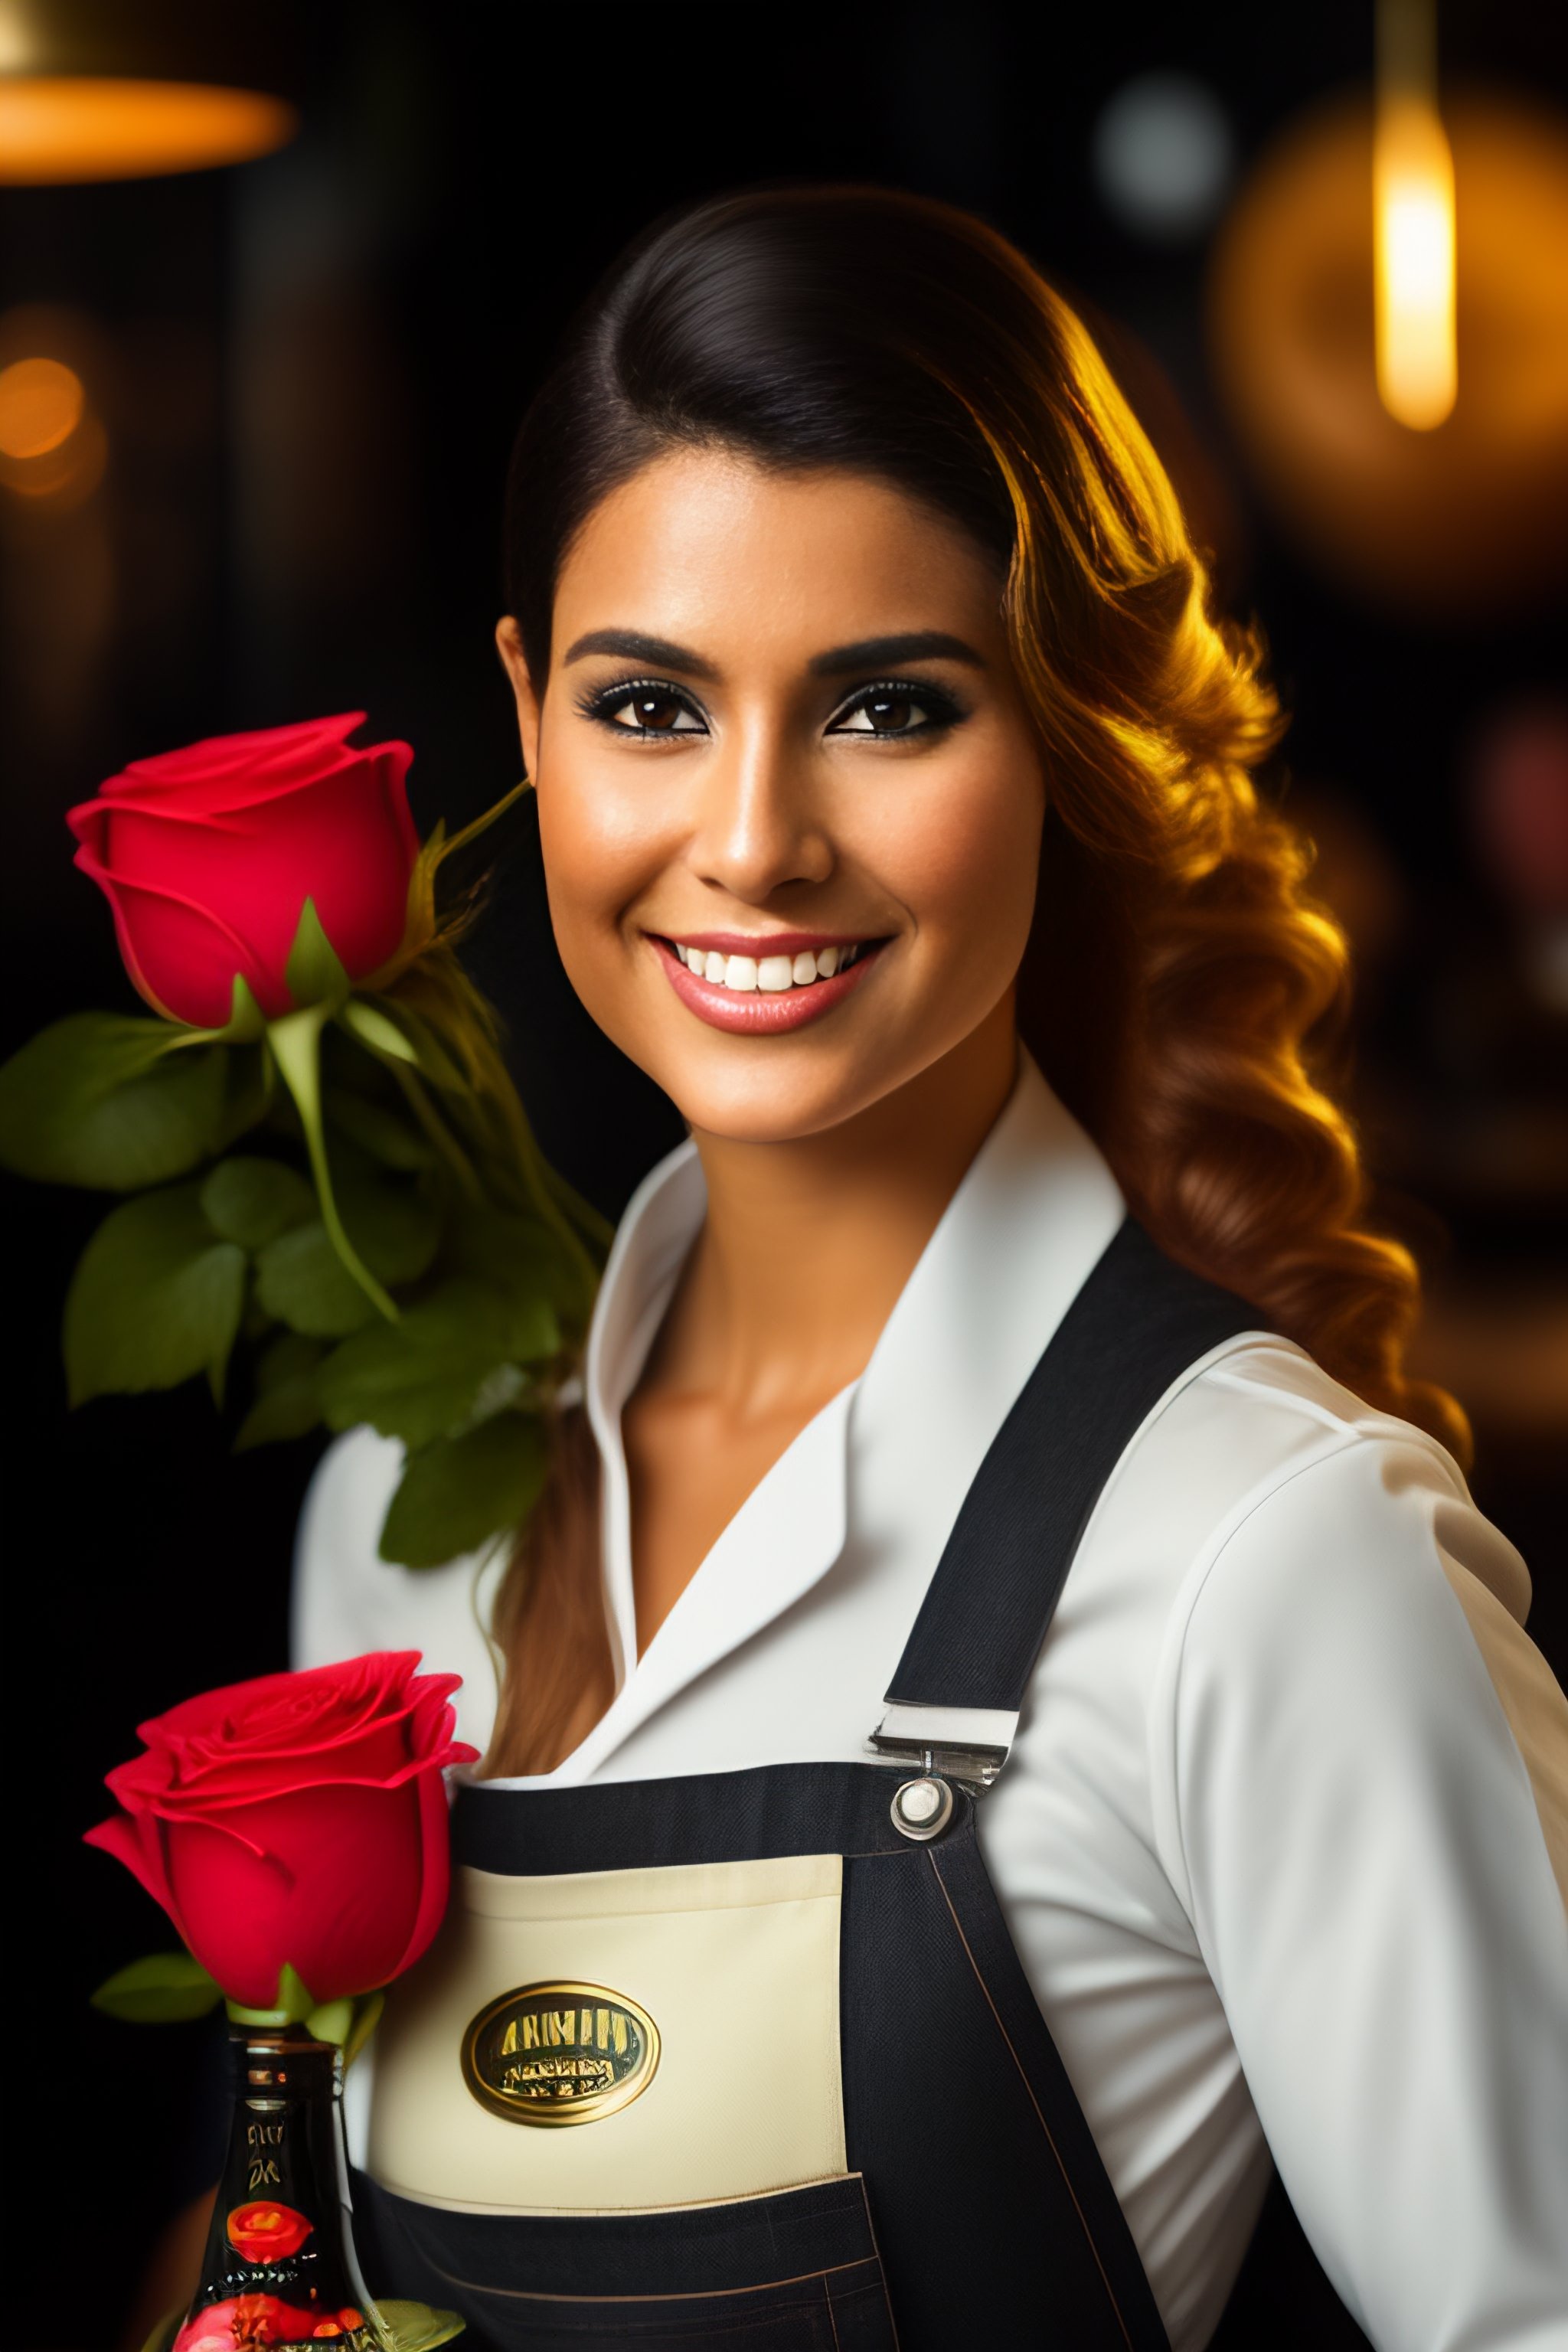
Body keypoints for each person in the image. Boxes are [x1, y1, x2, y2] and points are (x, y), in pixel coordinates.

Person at [292, 188, 1568, 2352]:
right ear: (526, 712)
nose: (757, 836)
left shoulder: (1269, 1550)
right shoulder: (400, 1517)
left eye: (888, 708)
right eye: (651, 706)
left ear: (1061, 735)